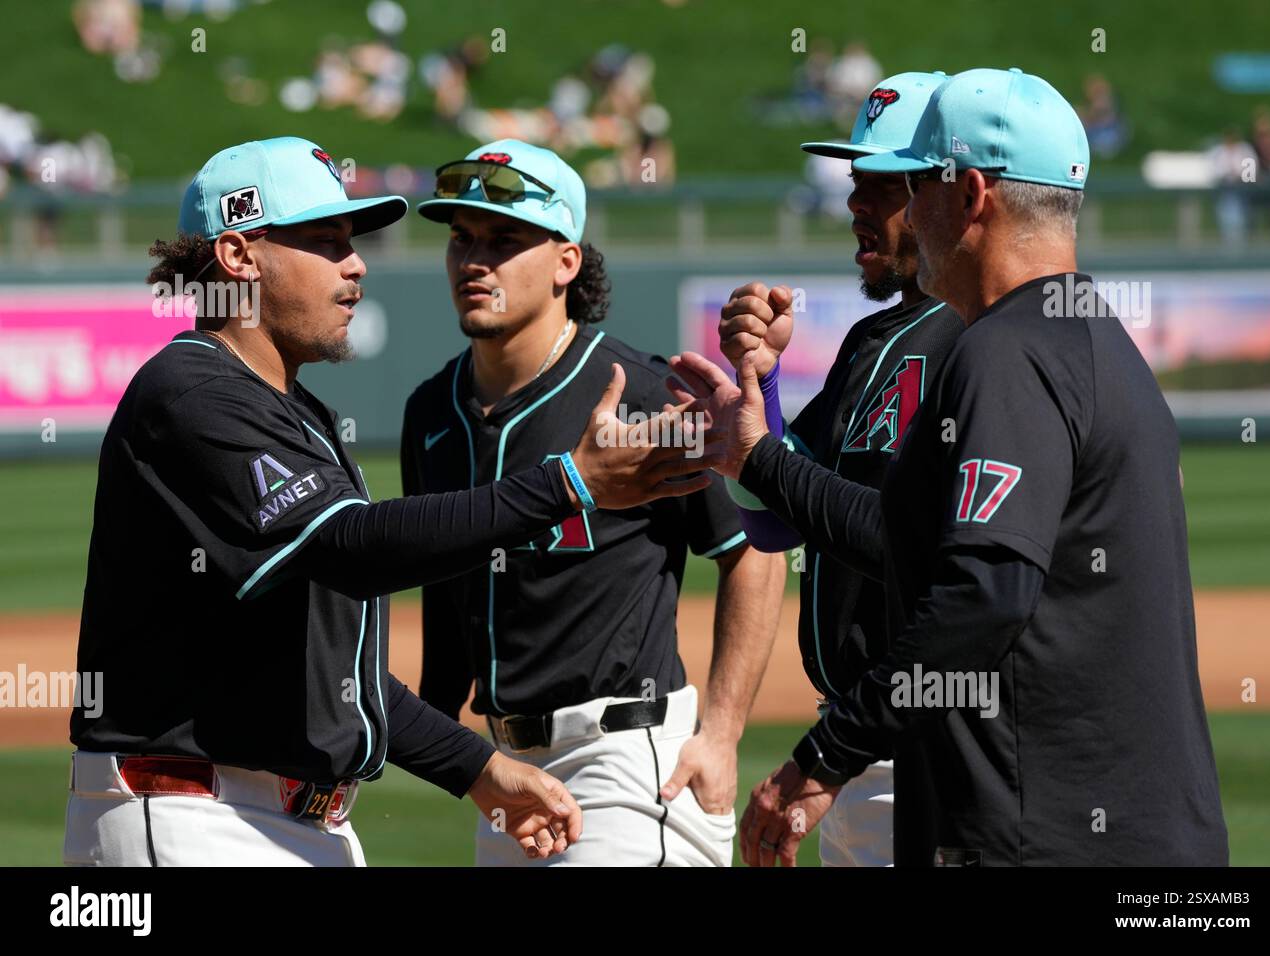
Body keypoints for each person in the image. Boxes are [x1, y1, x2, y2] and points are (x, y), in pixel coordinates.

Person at [66, 136, 723, 867]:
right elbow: (353, 546)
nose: (356, 265)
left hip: (282, 818)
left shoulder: (292, 414)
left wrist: (474, 769)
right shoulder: (192, 393)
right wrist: (569, 484)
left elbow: (330, 666)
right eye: (326, 241)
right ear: (239, 257)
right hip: (193, 811)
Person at [671, 68, 1229, 866]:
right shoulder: (1099, 342)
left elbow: (980, 594)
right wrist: (760, 446)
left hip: (1039, 829)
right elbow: (921, 546)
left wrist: (824, 755)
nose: (883, 204)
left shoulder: (1004, 351)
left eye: (912, 182)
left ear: (969, 195)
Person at [404, 139, 786, 866]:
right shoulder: (431, 411)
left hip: (627, 763)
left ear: (566, 262)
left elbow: (753, 551)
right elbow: (445, 584)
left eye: (505, 239)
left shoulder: (641, 393)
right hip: (509, 778)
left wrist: (723, 733)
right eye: (461, 238)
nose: (474, 259)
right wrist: (430, 730)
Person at [716, 72, 964, 866]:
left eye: (883, 187)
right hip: (851, 748)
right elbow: (773, 515)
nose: (856, 204)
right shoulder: (870, 343)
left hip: (940, 747)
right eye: (857, 183)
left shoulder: (984, 342)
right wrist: (761, 383)